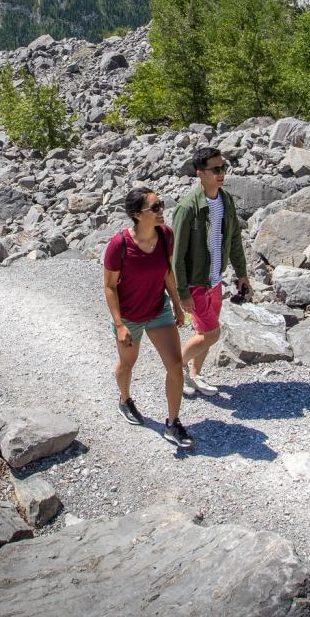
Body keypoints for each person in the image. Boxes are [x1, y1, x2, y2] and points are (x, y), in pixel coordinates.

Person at [103, 186, 195, 449]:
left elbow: (167, 271)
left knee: (175, 365)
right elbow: (109, 286)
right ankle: (124, 399)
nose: (161, 211)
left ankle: (173, 423)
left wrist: (176, 305)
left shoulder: (165, 235)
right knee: (128, 363)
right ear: (136, 214)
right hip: (129, 317)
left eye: (161, 205)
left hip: (158, 311)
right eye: (154, 208)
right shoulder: (118, 245)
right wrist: (119, 324)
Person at [171, 146, 249, 397]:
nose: (221, 173)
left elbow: (234, 238)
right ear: (199, 173)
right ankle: (175, 368)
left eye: (223, 168)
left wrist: (242, 273)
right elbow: (178, 255)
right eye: (215, 169)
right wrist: (182, 292)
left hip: (216, 279)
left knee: (204, 330)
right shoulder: (187, 208)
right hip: (196, 282)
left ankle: (194, 375)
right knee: (211, 333)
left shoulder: (225, 200)